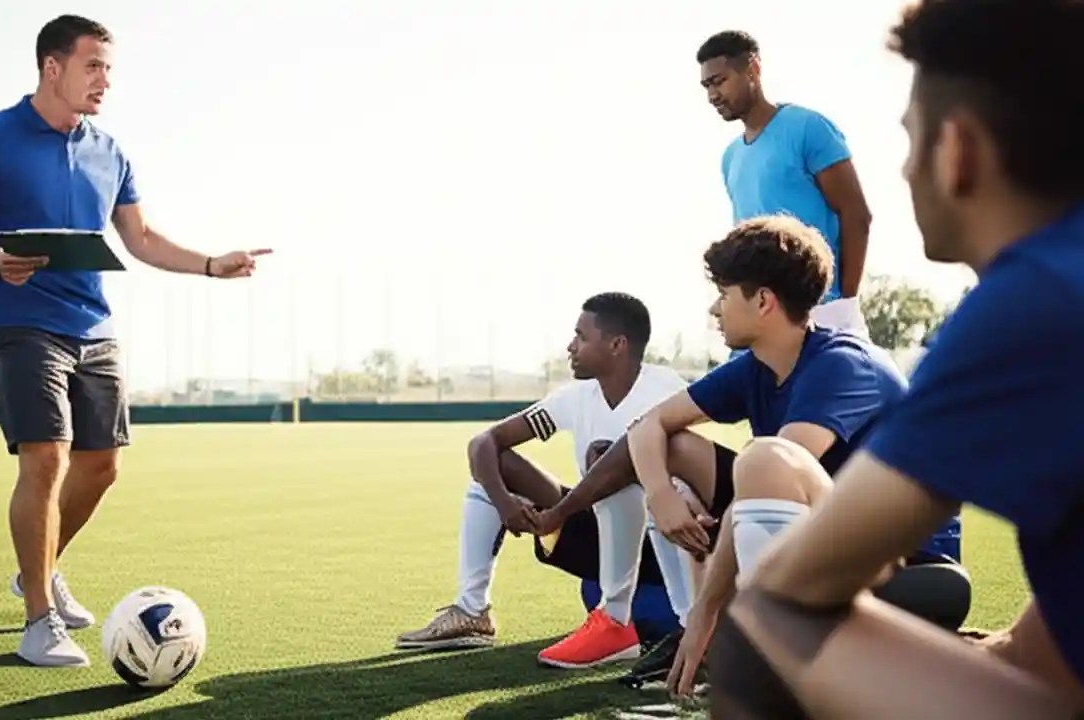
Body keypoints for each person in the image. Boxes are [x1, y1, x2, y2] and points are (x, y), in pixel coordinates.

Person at [709, 1, 1084, 717]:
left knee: (761, 630)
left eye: (911, 142)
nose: (907, 169)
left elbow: (805, 577)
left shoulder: (1029, 300)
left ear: (960, 150)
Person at [0, 14, 271, 667]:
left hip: (93, 324)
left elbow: (141, 238)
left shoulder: (110, 150)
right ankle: (40, 619)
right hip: (22, 320)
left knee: (104, 463)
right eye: (93, 67)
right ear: (52, 67)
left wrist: (211, 263)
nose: (104, 82)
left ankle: (37, 570)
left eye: (109, 70)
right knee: (46, 458)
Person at [531, 216, 968, 691]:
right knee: (676, 450)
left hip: (911, 575)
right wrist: (663, 496)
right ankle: (709, 635)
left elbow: (773, 475)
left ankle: (740, 642)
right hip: (818, 550)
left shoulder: (841, 364)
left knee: (763, 461)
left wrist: (707, 612)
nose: (714, 310)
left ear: (763, 301)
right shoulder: (757, 367)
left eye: (724, 294)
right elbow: (648, 427)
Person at [394, 292, 688, 669]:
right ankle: (472, 611)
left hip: (667, 539)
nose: (570, 346)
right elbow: (485, 442)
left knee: (608, 457)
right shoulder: (576, 397)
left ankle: (634, 620)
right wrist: (505, 503)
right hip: (602, 529)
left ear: (617, 345)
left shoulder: (665, 389)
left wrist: (558, 512)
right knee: (492, 470)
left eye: (581, 336)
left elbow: (685, 475)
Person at [698, 30, 873, 337]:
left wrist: (843, 302)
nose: (712, 95)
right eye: (706, 86)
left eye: (719, 81)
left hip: (819, 314)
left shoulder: (807, 128)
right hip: (762, 320)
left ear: (753, 69)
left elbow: (856, 214)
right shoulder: (731, 157)